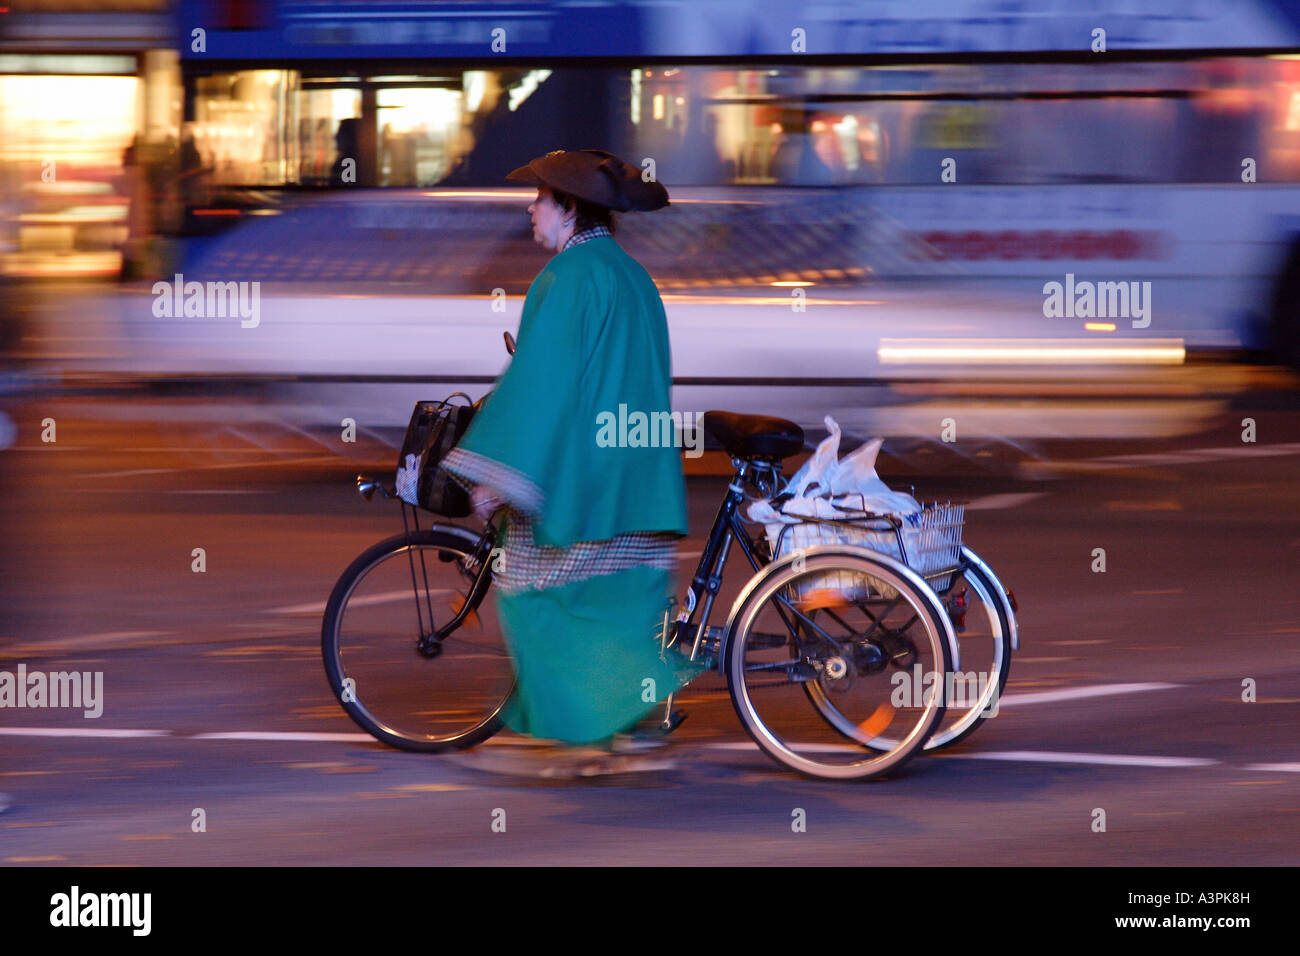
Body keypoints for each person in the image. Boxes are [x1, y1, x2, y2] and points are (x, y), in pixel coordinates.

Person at [441, 149, 705, 776]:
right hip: (639, 475)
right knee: (615, 603)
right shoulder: (632, 275)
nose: (530, 210)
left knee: (532, 590)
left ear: (566, 208)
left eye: (539, 200)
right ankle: (631, 717)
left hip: (587, 481)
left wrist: (496, 477)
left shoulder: (565, 279)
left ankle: (592, 727)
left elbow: (543, 386)